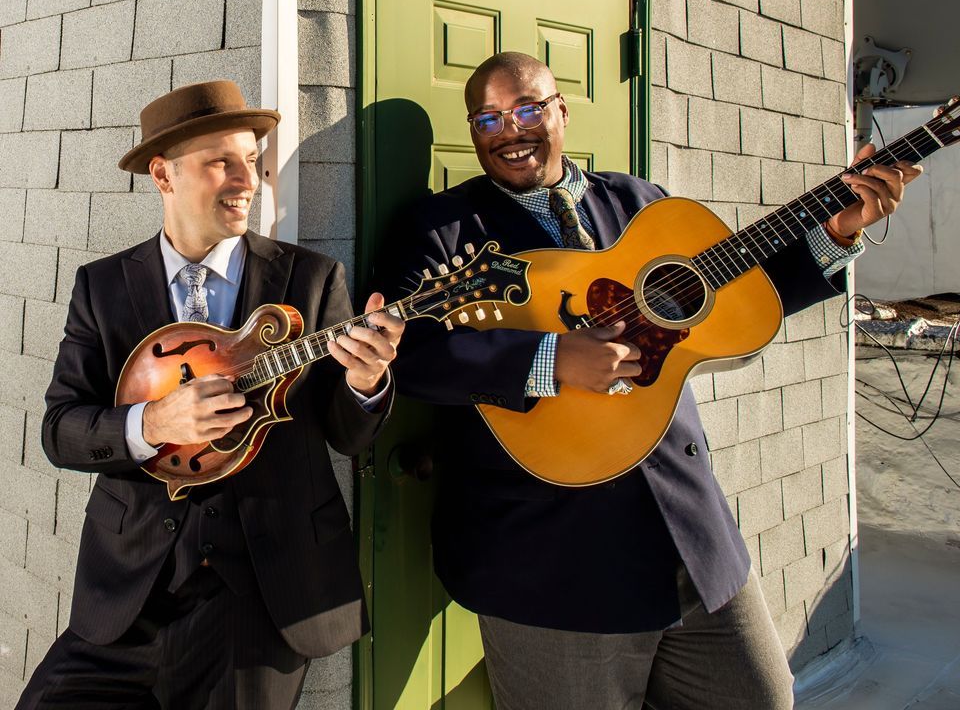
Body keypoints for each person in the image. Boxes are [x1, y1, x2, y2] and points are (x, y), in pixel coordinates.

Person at [377, 52, 920, 710]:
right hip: (549, 566)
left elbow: (739, 297)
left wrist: (832, 235)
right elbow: (408, 355)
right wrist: (549, 359)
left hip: (690, 537)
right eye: (487, 119)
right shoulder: (441, 231)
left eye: (526, 110)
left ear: (561, 111)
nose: (509, 131)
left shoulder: (643, 205)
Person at [18, 80, 404, 710]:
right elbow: (60, 430)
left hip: (262, 597)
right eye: (221, 162)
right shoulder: (103, 287)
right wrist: (152, 421)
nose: (247, 180)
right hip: (129, 596)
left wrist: (366, 382)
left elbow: (346, 434)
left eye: (251, 159)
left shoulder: (311, 279)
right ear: (163, 175)